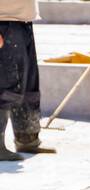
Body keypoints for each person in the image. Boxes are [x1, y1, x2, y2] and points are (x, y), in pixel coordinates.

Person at [0, 0, 54, 161]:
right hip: (4, 23)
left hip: (23, 22)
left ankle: (27, 139)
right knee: (6, 86)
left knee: (28, 84)